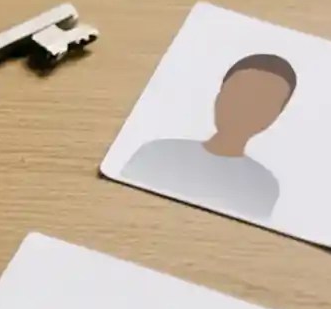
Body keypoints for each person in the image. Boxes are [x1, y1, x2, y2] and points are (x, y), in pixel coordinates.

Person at [121, 53, 297, 219]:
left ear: (276, 114)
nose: (244, 107)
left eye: (262, 101)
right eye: (238, 93)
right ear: (219, 96)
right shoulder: (157, 153)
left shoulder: (263, 185)